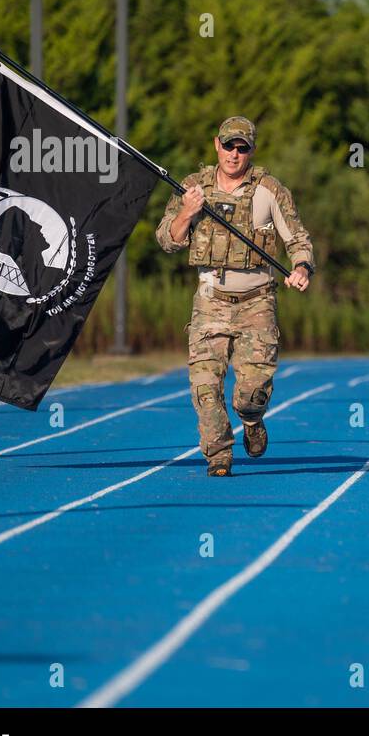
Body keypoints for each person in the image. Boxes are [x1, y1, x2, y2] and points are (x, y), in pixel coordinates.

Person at [156, 115, 315, 477]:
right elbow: (167, 239)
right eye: (229, 145)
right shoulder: (193, 188)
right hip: (210, 300)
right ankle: (219, 455)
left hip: (257, 302)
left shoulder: (269, 190)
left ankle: (252, 418)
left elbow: (297, 239)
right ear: (217, 145)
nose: (234, 153)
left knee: (251, 391)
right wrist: (186, 212)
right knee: (205, 387)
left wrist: (302, 267)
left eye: (242, 147)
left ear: (251, 151)